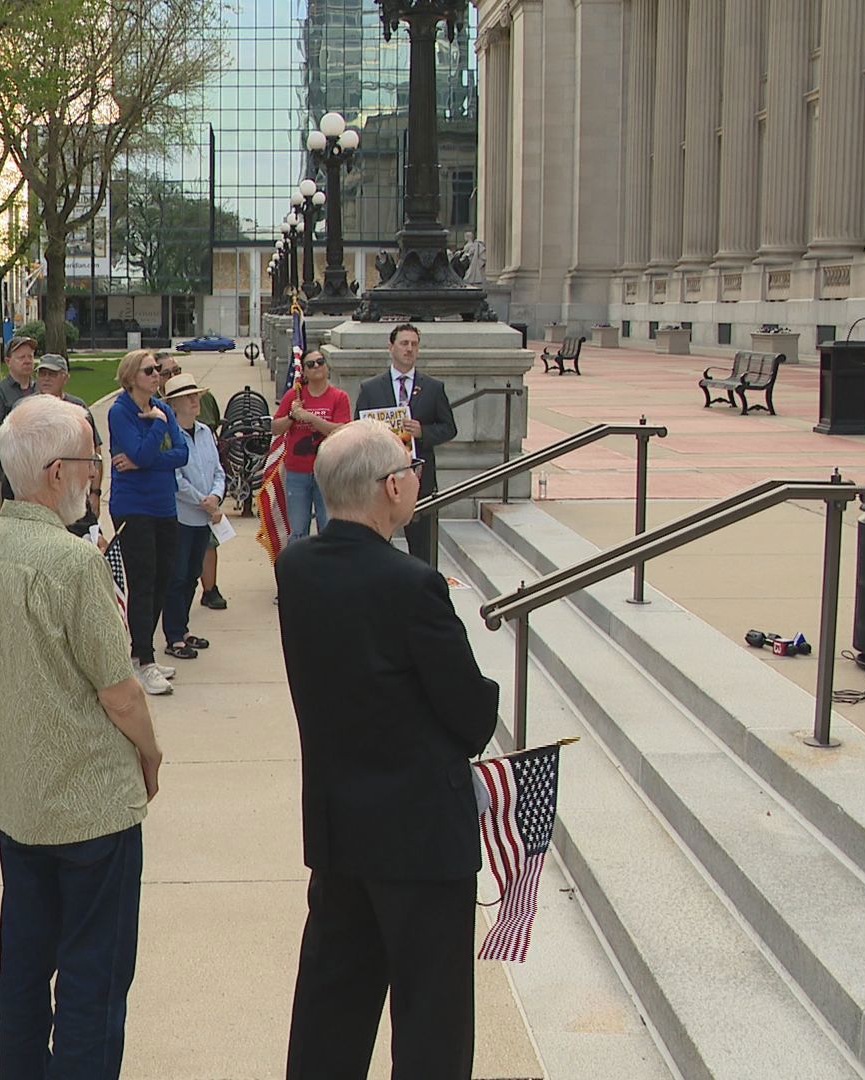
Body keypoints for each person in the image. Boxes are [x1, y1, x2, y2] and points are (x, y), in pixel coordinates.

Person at [276, 421, 498, 1080]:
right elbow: (470, 715)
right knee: (432, 1017)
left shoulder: (298, 564)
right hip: (419, 835)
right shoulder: (411, 584)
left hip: (342, 825)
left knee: (332, 999)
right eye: (412, 467)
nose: (416, 478)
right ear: (391, 486)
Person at [0, 397, 162, 1079]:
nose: (95, 473)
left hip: (19, 798)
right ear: (53, 473)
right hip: (89, 808)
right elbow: (120, 690)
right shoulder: (72, 562)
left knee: (23, 963)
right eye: (86, 461)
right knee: (92, 980)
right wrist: (150, 756)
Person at [107, 349, 189, 695]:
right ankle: (144, 657)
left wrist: (144, 461)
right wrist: (155, 426)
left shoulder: (166, 409)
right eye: (149, 371)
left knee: (161, 579)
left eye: (157, 370)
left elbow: (181, 454)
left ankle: (141, 655)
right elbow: (139, 451)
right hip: (133, 507)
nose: (156, 375)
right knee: (142, 580)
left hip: (163, 505)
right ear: (130, 378)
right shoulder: (121, 412)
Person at [355, 323, 458, 561]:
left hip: (420, 479)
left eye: (414, 344)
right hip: (380, 478)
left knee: (423, 544)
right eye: (404, 343)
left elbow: (449, 428)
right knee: (376, 544)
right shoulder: (370, 388)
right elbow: (357, 429)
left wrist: (423, 432)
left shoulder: (433, 388)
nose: (409, 349)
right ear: (391, 348)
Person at [159, 374, 223, 662]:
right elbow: (175, 478)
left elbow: (218, 470)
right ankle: (173, 635)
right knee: (177, 576)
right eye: (188, 397)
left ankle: (183, 630)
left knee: (193, 576)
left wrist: (216, 497)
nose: (195, 401)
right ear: (174, 403)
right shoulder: (169, 436)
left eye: (196, 395)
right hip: (182, 516)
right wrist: (202, 500)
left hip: (204, 516)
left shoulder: (206, 432)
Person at [271, 347, 351, 543]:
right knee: (298, 531)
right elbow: (275, 428)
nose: (316, 366)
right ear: (304, 372)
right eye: (310, 364)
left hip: (328, 472)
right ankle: (299, 572)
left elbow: (341, 431)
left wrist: (309, 417)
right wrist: (292, 415)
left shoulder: (339, 397)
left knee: (328, 529)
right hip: (297, 472)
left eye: (320, 362)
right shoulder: (294, 396)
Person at [33, 353, 103, 536]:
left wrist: (95, 492)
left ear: (65, 377)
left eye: (52, 374)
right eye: (42, 373)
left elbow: (95, 450)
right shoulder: (25, 408)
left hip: (74, 495)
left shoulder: (78, 408)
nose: (46, 378)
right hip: (39, 497)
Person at [0, 336, 37, 508]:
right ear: (8, 361)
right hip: (6, 476)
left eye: (30, 356)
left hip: (38, 476)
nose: (27, 361)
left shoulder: (40, 391)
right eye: (21, 357)